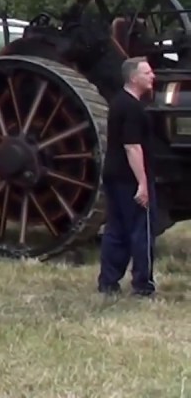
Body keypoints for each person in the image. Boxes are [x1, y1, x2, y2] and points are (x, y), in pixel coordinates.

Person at [98, 56, 158, 298]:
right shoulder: (132, 107)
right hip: (129, 178)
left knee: (116, 229)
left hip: (114, 174)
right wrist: (143, 184)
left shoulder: (118, 102)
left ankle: (108, 282)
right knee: (141, 230)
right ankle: (143, 285)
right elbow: (132, 146)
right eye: (147, 73)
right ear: (134, 78)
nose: (152, 76)